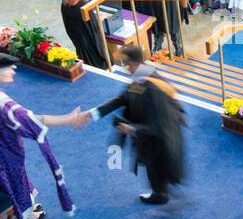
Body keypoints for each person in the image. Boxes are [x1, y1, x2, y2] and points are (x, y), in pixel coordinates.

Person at [0, 53, 80, 219]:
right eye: (9, 67)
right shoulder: (1, 102)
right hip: (2, 149)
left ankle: (25, 207)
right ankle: (24, 214)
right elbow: (33, 120)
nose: (13, 69)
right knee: (13, 179)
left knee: (5, 178)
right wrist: (69, 119)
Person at [76, 44, 185, 205]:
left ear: (135, 63)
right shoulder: (142, 76)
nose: (127, 69)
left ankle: (160, 194)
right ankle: (159, 191)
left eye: (127, 64)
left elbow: (162, 124)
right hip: (149, 133)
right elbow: (123, 97)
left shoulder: (153, 88)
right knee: (152, 166)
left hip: (159, 136)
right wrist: (93, 113)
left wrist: (132, 129)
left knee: (156, 166)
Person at [59, 0, 109, 70]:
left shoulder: (64, 3)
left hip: (78, 42)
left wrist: (93, 17)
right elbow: (94, 30)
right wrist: (100, 18)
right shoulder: (84, 6)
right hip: (90, 47)